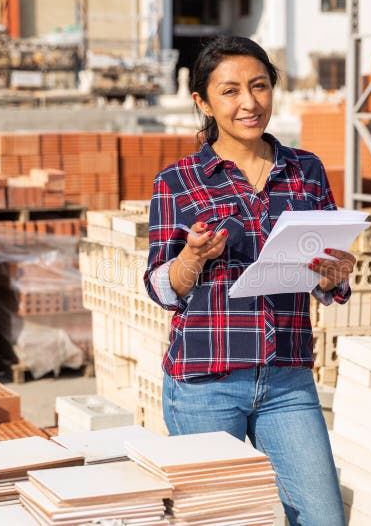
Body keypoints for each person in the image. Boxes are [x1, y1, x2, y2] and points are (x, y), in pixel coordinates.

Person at [144, 35, 356, 526]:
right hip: (205, 383)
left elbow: (328, 281)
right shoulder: (176, 181)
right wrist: (191, 258)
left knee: (323, 518)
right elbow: (160, 287)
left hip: (287, 377)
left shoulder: (305, 170)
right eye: (231, 91)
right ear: (202, 101)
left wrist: (333, 274)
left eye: (259, 87)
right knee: (221, 520)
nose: (249, 103)